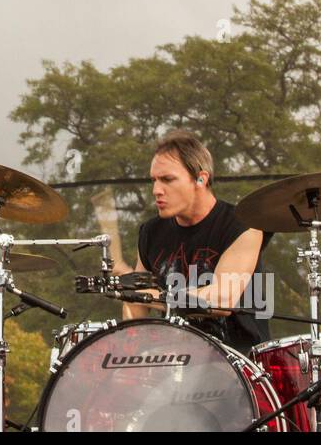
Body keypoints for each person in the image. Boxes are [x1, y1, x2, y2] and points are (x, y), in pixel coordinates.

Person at [116, 130, 272, 354]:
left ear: (201, 178)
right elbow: (136, 307)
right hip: (173, 360)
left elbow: (222, 299)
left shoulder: (243, 225)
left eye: (167, 180)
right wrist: (131, 349)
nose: (156, 190)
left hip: (236, 362)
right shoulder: (151, 232)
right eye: (154, 180)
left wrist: (149, 295)